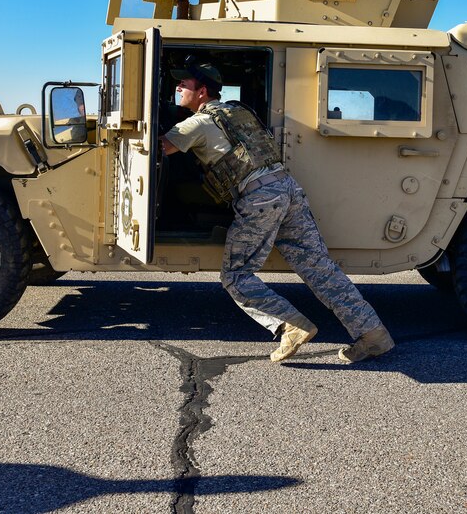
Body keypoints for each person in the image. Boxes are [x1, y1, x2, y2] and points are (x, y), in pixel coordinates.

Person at [160, 60, 394, 363]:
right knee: (320, 269)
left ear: (202, 91)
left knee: (236, 276)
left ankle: (291, 326)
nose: (178, 88)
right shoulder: (237, 111)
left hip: (259, 199)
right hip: (287, 189)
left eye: (184, 84)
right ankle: (373, 334)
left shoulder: (197, 123)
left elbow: (159, 148)